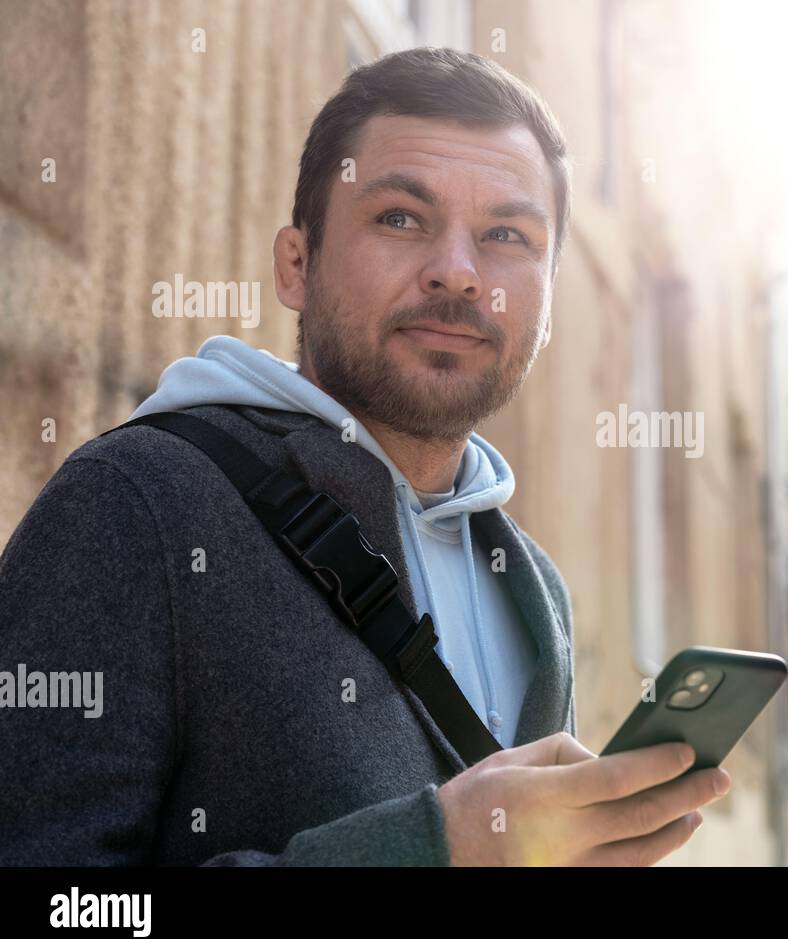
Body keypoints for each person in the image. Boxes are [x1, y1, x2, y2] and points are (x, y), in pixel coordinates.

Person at [0, 47, 728, 867]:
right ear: (296, 265)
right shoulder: (134, 505)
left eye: (506, 235)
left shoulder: (535, 590)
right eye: (400, 218)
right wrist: (429, 848)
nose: (458, 273)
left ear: (548, 302)